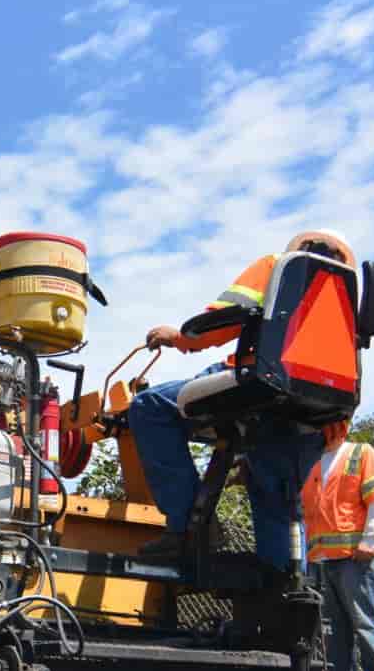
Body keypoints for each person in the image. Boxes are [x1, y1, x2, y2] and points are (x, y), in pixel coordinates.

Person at [127, 230, 346, 571]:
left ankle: (187, 528)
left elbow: (223, 319)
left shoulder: (279, 266)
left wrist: (181, 338)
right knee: (278, 499)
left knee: (149, 408)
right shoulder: (346, 295)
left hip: (258, 385)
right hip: (317, 412)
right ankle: (283, 590)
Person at [301, 419, 374, 671]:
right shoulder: (311, 464)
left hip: (356, 558)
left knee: (365, 624)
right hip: (322, 560)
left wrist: (371, 539)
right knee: (333, 631)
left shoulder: (361, 453)